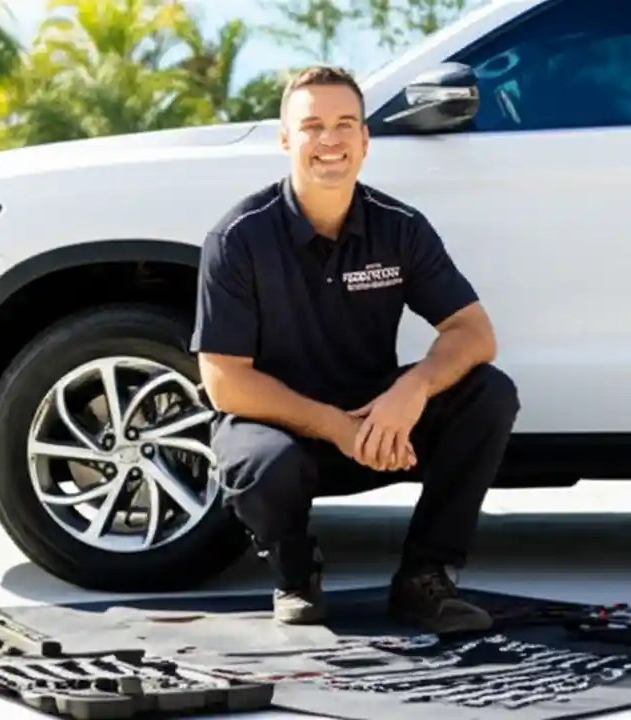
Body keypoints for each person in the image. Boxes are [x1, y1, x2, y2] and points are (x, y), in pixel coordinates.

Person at [190, 65, 521, 633]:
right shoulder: (238, 238)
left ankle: (425, 578)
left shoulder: (400, 228)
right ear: (285, 139)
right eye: (312, 126)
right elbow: (225, 381)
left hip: (377, 425)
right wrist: (334, 427)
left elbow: (473, 332)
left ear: (365, 140)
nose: (330, 139)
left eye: (345, 124)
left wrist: (412, 389)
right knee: (262, 461)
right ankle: (296, 575)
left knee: (490, 393)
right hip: (280, 430)